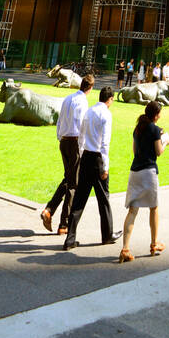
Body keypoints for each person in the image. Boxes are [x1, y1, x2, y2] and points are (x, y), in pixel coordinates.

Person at [64, 87, 122, 249]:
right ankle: (107, 234)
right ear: (110, 99)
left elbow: (81, 137)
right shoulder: (106, 114)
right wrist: (105, 167)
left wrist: (82, 156)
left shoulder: (89, 112)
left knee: (79, 199)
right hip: (97, 158)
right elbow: (105, 143)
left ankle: (70, 238)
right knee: (103, 198)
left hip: (87, 157)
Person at [41, 75, 93, 235]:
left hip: (63, 140)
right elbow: (81, 124)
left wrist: (59, 137)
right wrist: (82, 147)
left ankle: (49, 210)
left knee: (68, 178)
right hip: (74, 142)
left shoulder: (68, 98)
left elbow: (60, 119)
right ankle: (63, 224)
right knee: (73, 184)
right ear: (90, 88)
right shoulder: (83, 102)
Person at [118, 99, 169, 262]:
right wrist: (166, 141)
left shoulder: (137, 129)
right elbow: (159, 151)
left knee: (132, 211)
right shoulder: (155, 130)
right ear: (156, 115)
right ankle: (154, 243)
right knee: (154, 208)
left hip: (135, 172)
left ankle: (125, 248)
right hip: (149, 172)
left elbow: (135, 150)